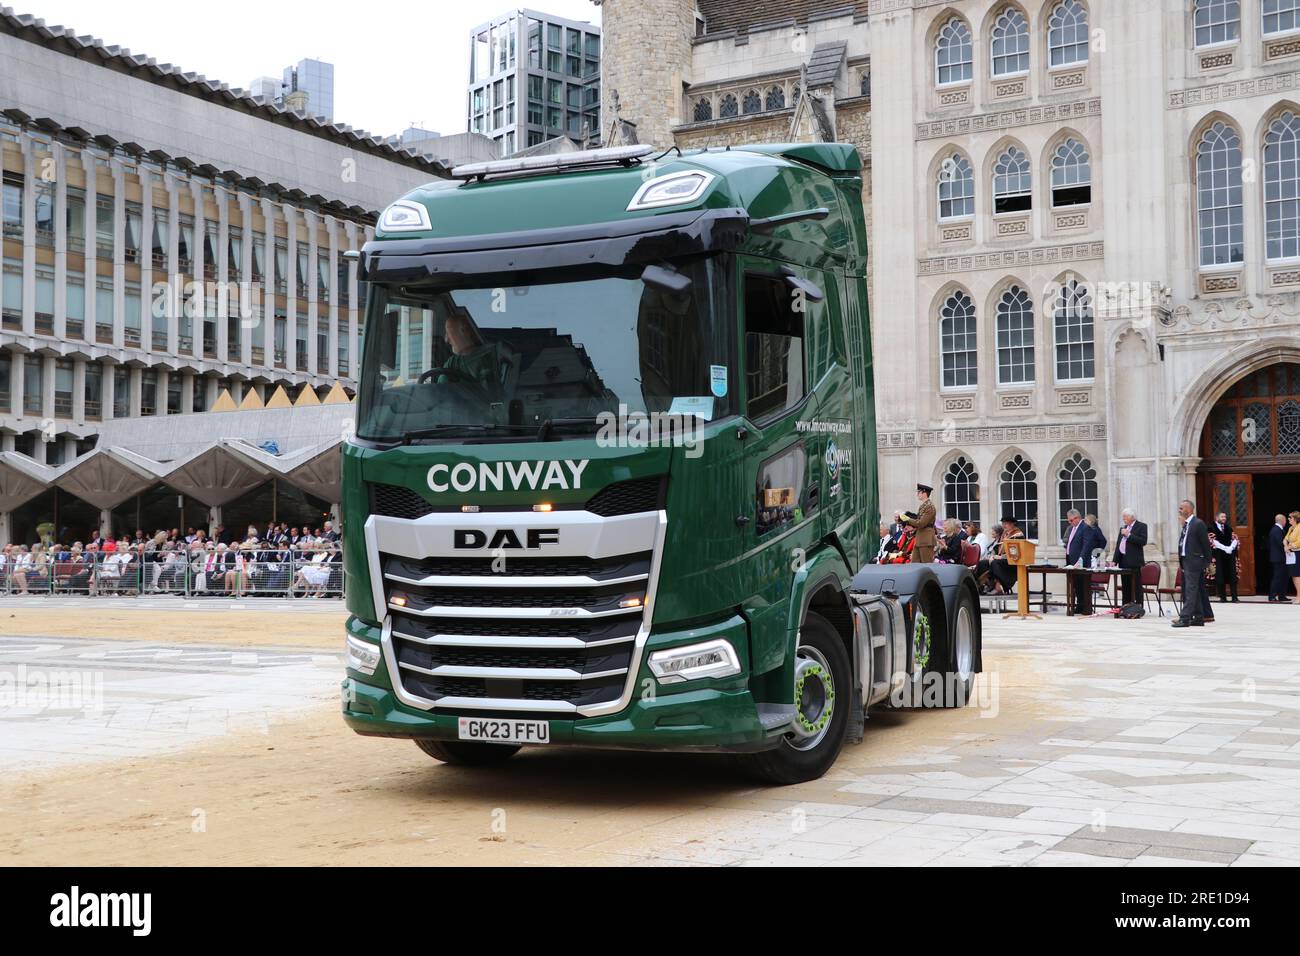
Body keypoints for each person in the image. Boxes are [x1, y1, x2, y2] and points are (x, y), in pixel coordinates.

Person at [1173, 499, 1214, 628]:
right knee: (1193, 590)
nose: (1179, 510)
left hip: (1194, 562)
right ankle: (1198, 617)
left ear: (1189, 509)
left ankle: (1185, 618)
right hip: (1186, 561)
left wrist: (1208, 562)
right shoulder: (1186, 524)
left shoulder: (1198, 523)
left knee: (1190, 590)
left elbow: (1206, 545)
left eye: (1181, 508)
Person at [1063, 509, 1104, 614]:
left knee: (1083, 584)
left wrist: (1081, 558)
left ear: (1077, 518)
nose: (1070, 523)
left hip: (1082, 561)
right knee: (1077, 585)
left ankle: (1086, 607)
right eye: (1069, 521)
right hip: (1071, 560)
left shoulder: (1085, 527)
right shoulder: (1073, 528)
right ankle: (1079, 605)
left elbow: (1086, 545)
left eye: (1071, 520)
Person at [1112, 507, 1148, 605]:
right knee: (1125, 585)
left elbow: (1143, 541)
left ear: (1132, 517)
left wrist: (1129, 535)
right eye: (1123, 517)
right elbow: (1119, 545)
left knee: (1136, 585)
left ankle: (1138, 606)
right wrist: (1115, 560)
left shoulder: (1142, 526)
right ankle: (1125, 606)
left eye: (1125, 517)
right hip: (1123, 561)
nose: (1123, 519)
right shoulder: (1123, 528)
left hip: (1134, 561)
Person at [896, 483, 937, 564]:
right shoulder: (924, 506)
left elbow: (921, 523)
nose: (917, 494)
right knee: (915, 563)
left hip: (926, 539)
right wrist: (903, 518)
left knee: (927, 564)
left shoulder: (929, 507)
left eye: (919, 492)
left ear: (924, 493)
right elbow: (917, 522)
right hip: (920, 537)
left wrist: (907, 518)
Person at [1208, 511, 1240, 604]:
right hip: (1218, 555)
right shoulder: (1211, 527)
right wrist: (1225, 548)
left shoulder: (1228, 527)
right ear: (1216, 517)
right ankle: (1223, 597)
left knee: (1232, 575)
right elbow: (1212, 540)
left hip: (1229, 555)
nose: (1224, 518)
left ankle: (1234, 597)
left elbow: (1235, 538)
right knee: (1220, 575)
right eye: (1222, 517)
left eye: (1225, 517)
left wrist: (1231, 547)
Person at [1268, 514, 1289, 603]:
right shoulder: (1276, 530)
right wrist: (1290, 546)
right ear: (1282, 520)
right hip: (1278, 558)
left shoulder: (1279, 529)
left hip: (1281, 557)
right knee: (1278, 577)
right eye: (1285, 520)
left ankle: (1282, 596)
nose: (1286, 522)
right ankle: (1272, 596)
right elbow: (1281, 544)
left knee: (1284, 577)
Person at [1287, 511, 1300, 605]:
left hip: (1298, 553)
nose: (1288, 519)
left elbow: (1299, 542)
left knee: (1297, 575)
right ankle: (1298, 595)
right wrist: (1285, 546)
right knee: (1294, 576)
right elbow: (1285, 539)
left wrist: (1289, 546)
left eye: (1290, 517)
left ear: (1295, 519)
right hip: (1292, 554)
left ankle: (1299, 597)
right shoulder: (1291, 528)